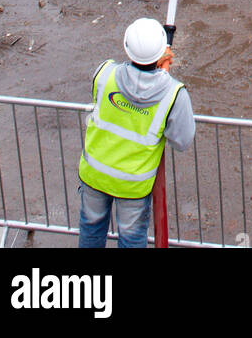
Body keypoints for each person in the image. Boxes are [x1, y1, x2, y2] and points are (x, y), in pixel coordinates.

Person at [78, 17, 195, 248]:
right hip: (132, 185)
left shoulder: (104, 73)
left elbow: (107, 100)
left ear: (126, 46)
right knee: (131, 239)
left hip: (94, 173)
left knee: (91, 228)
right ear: (162, 51)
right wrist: (162, 77)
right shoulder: (173, 94)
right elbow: (181, 141)